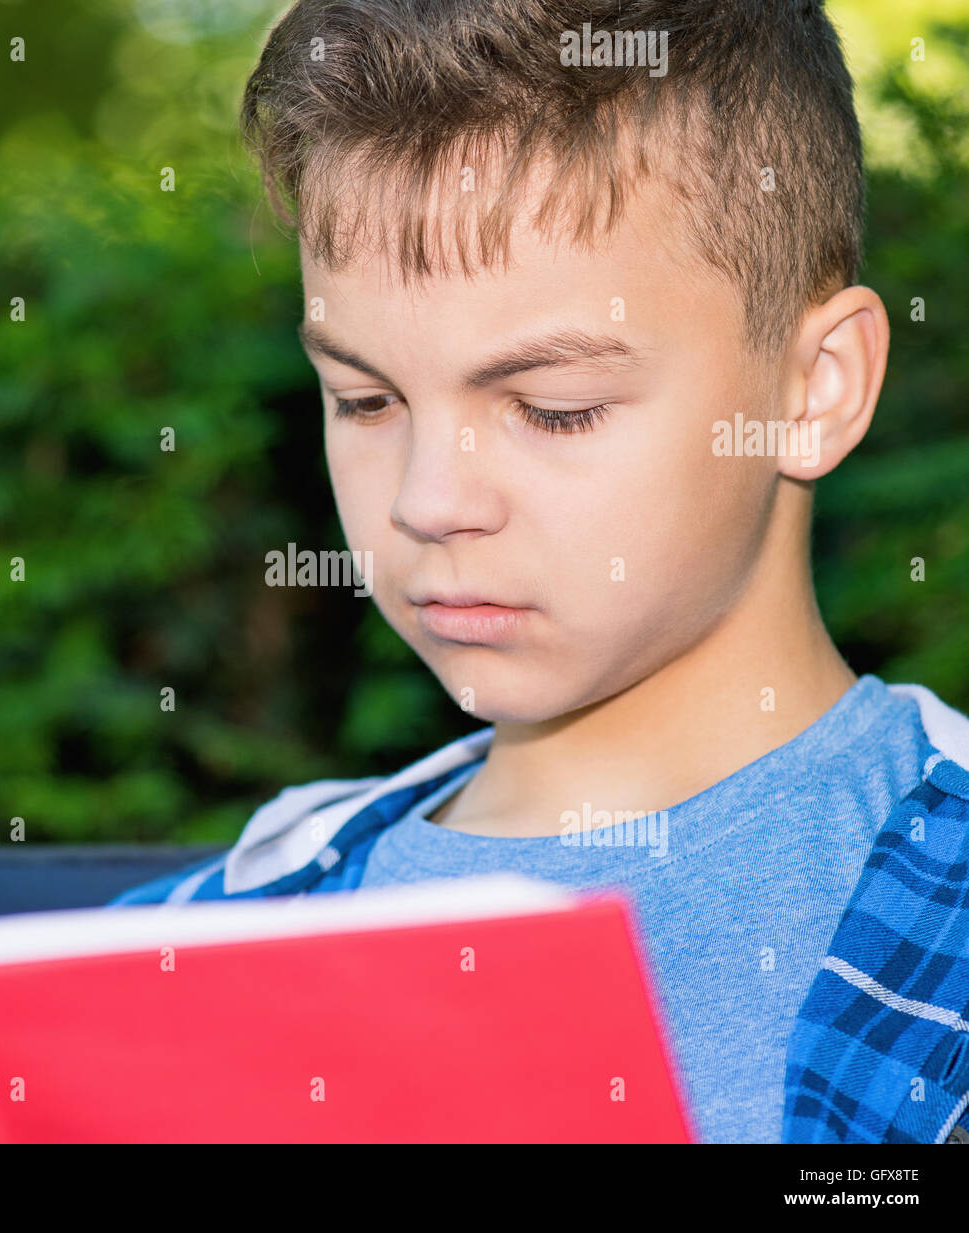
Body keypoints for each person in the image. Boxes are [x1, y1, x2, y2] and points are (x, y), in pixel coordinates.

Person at [109, 1, 969, 1145]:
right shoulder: (210, 931)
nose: (426, 501)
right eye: (365, 400)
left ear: (812, 391)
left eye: (553, 412)